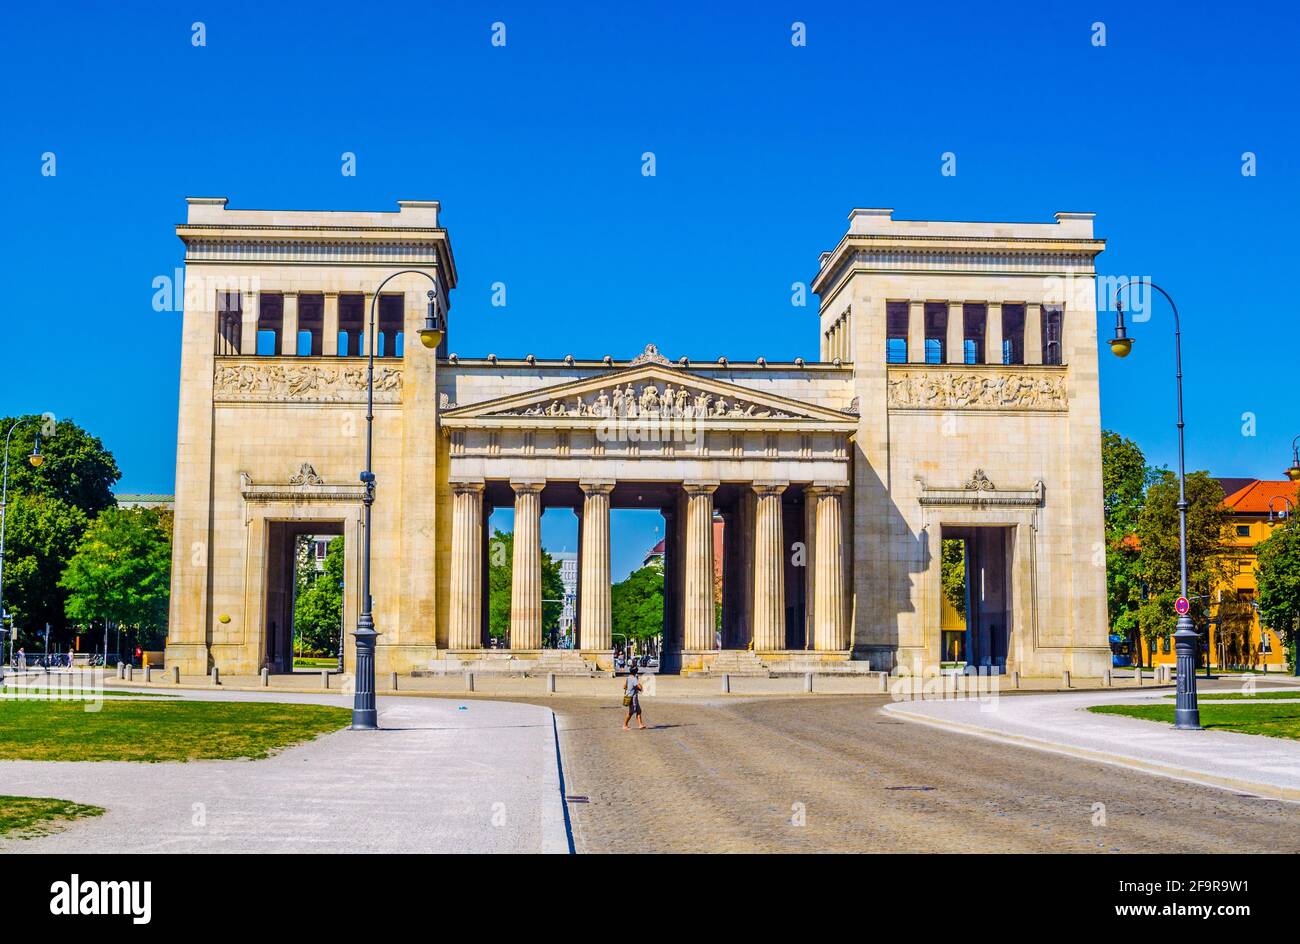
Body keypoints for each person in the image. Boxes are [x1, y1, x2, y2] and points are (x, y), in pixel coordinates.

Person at [622, 664, 646, 730]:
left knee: (639, 710)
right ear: (636, 672)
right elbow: (640, 687)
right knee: (631, 712)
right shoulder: (634, 678)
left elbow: (624, 687)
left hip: (629, 696)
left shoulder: (628, 677)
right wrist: (638, 682)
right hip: (632, 697)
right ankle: (625, 725)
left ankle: (640, 725)